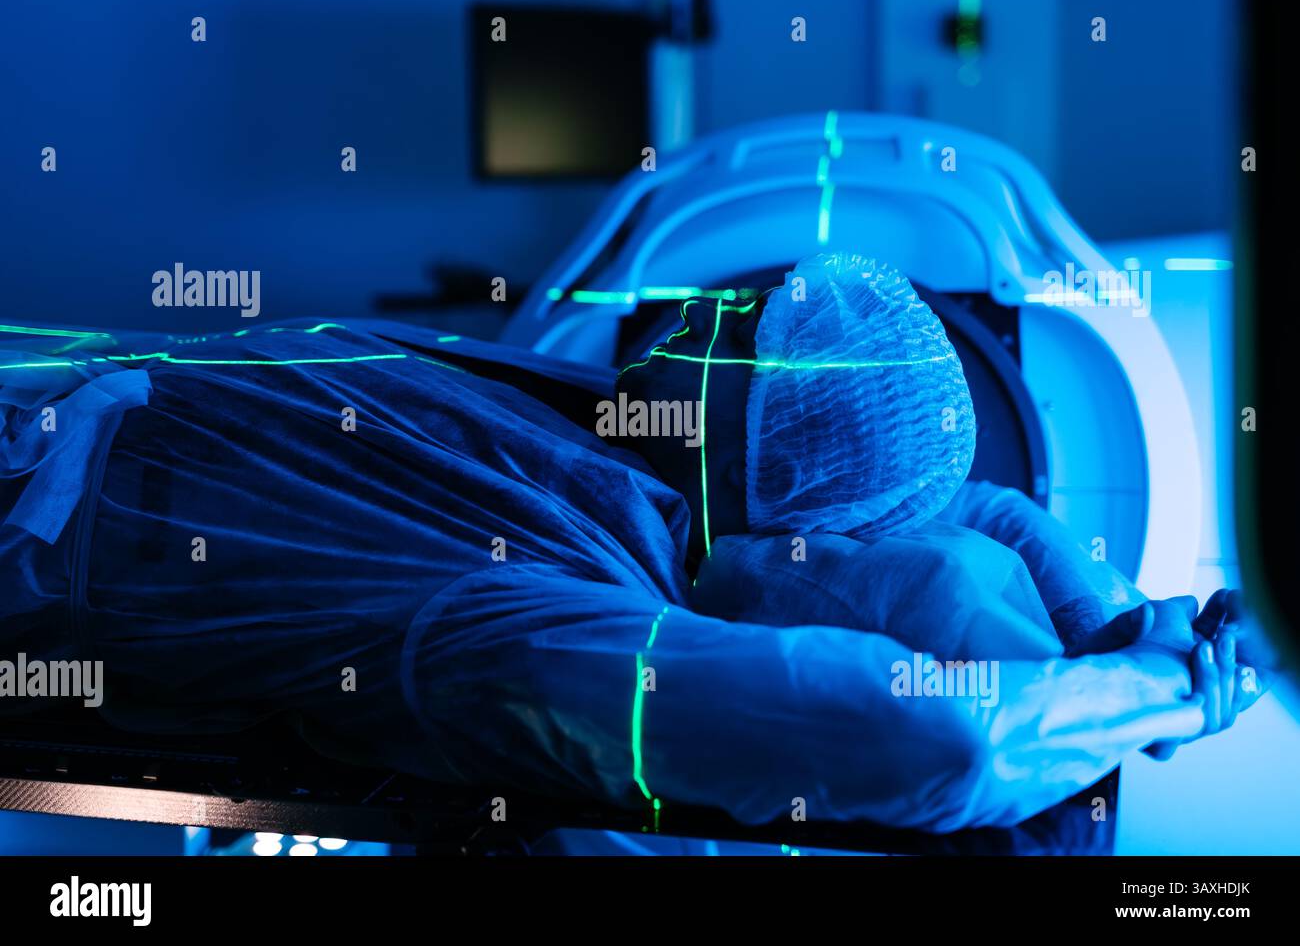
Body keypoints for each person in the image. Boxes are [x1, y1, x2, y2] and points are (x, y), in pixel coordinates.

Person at [0, 252, 1272, 832]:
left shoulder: (560, 624)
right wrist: (1116, 619)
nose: (698, 316)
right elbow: (965, 519)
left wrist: (1157, 692)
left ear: (803, 570)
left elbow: (934, 735)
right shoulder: (603, 444)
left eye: (741, 337)